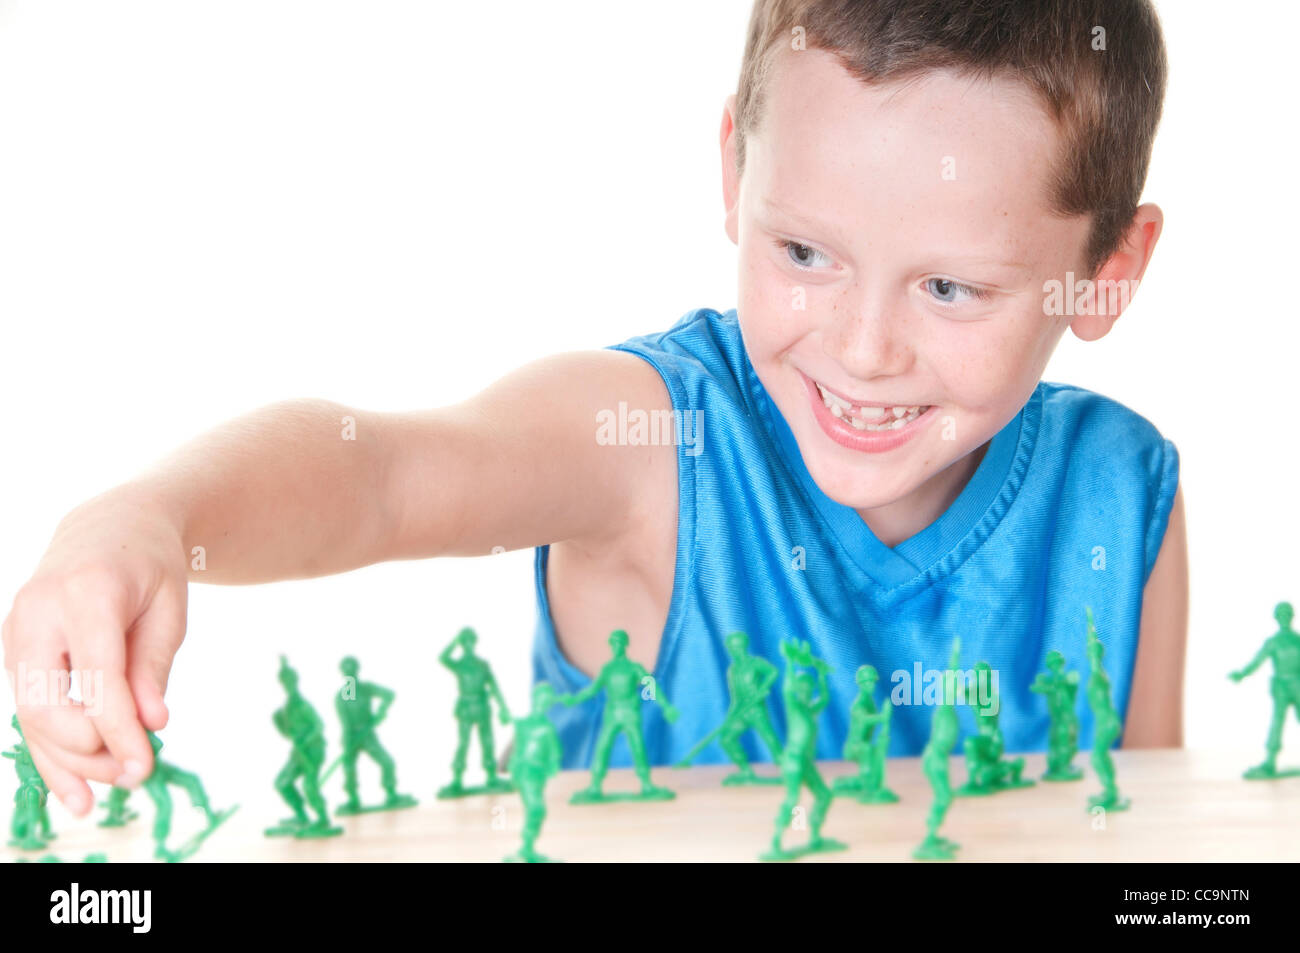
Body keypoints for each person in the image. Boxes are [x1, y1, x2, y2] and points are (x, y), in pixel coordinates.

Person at [1, 0, 1186, 809]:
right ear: (734, 174)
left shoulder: (1122, 494)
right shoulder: (652, 446)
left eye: (948, 286)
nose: (863, 348)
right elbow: (384, 471)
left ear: (1108, 271)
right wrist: (150, 519)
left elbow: (1146, 840)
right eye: (804, 254)